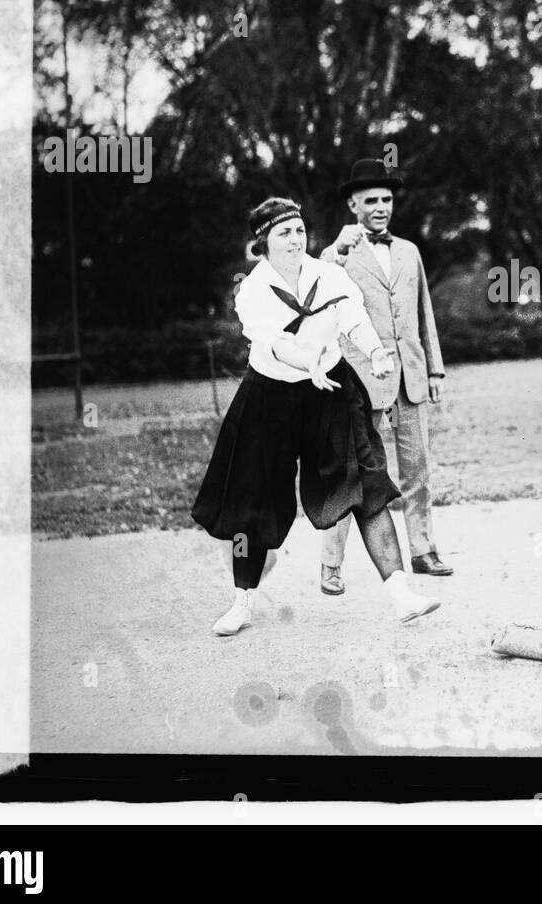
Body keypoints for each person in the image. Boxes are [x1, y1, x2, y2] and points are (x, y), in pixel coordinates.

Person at [192, 196, 440, 636]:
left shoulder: (329, 275)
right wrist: (308, 363)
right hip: (269, 398)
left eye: (300, 231)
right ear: (263, 242)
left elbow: (353, 318)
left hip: (332, 391)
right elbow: (273, 343)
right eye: (284, 232)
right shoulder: (252, 291)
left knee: (366, 484)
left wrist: (375, 351)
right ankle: (241, 602)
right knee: (252, 499)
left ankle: (402, 595)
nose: (296, 239)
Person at [316, 159, 451, 595]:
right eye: (371, 200)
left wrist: (434, 369)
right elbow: (317, 289)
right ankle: (331, 564)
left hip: (410, 377)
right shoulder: (338, 254)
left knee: (418, 469)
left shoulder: (409, 251)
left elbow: (423, 312)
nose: (381, 207)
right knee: (352, 473)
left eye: (387, 199)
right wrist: (336, 249)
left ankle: (423, 550)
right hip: (360, 380)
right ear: (353, 205)